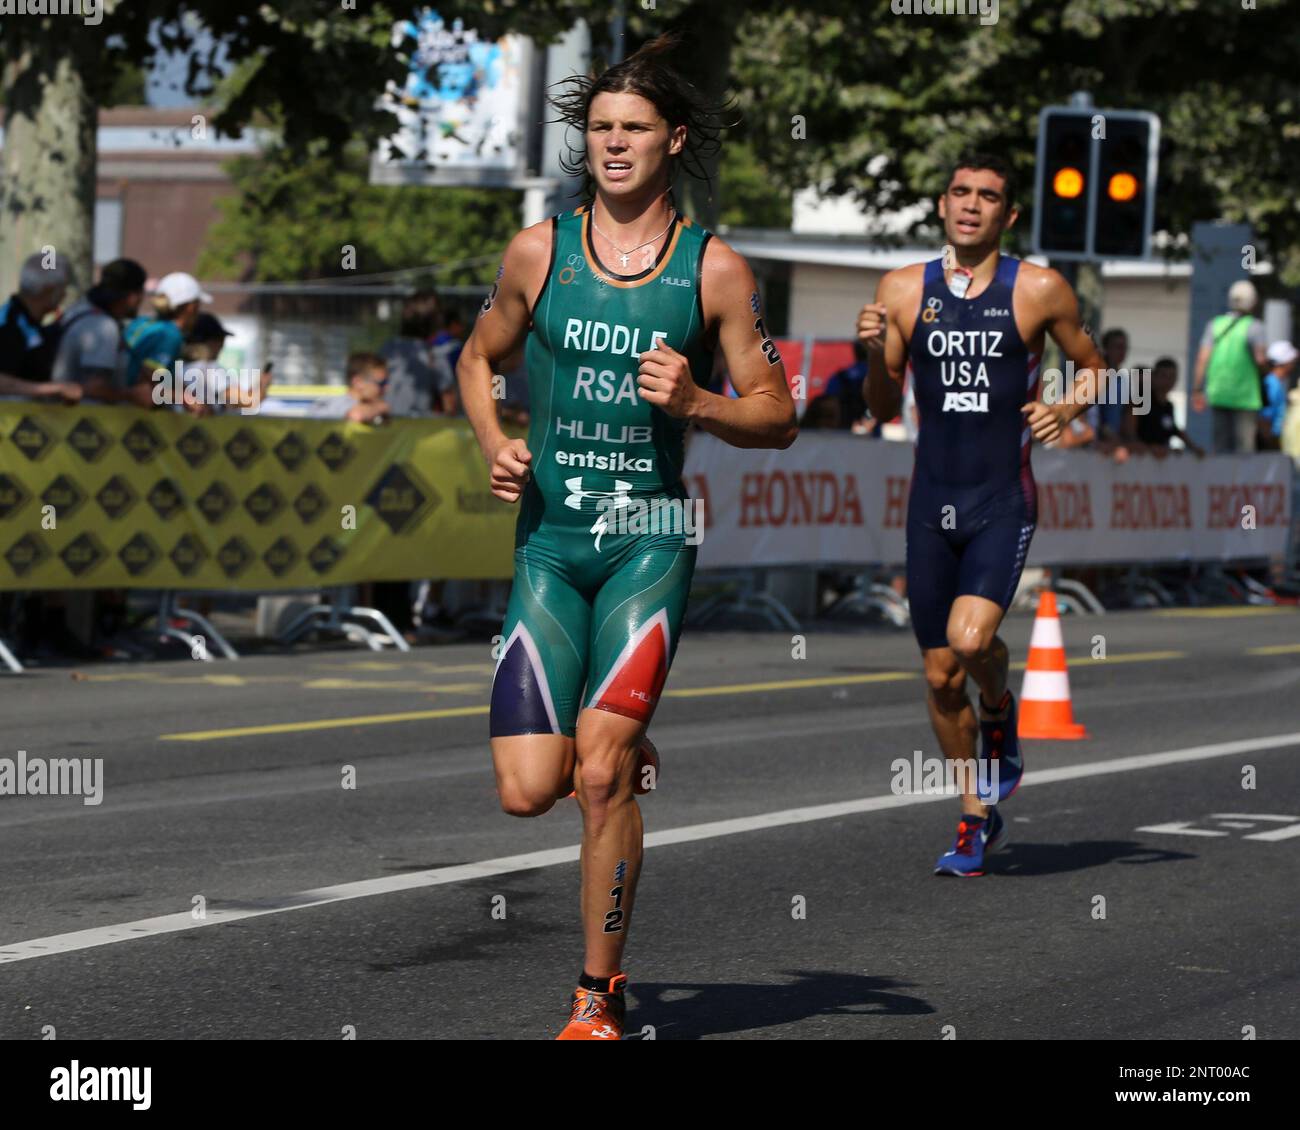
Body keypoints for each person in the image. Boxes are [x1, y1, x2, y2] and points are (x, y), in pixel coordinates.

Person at [457, 34, 796, 1040]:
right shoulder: (538, 250)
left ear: (671, 141)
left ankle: (596, 996)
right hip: (551, 541)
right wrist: (495, 441)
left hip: (648, 535)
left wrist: (697, 398)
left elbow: (777, 412)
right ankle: (621, 727)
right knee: (527, 792)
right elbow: (477, 358)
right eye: (600, 127)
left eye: (634, 129)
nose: (613, 144)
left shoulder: (714, 269)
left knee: (597, 774)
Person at [857, 152, 1113, 878]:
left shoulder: (1039, 288)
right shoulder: (903, 288)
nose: (972, 205)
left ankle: (1000, 708)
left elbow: (1096, 366)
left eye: (988, 196)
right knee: (939, 676)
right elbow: (880, 407)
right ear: (943, 205)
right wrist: (876, 354)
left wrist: (1064, 406)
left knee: (972, 643)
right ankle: (975, 816)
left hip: (1002, 497)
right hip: (929, 500)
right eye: (961, 193)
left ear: (1009, 215)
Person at [50, 258, 151, 405]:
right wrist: (131, 395)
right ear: (133, 296)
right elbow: (93, 388)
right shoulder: (103, 327)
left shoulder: (79, 309)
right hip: (83, 422)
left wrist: (174, 392)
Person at [1192, 279, 1268, 453]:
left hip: (1219, 393)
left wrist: (1197, 389)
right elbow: (1261, 360)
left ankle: (1220, 480)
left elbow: (1202, 358)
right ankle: (1243, 482)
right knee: (1245, 449)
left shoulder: (1215, 324)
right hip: (1245, 396)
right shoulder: (1254, 327)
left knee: (1220, 447)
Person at [0, 251, 82, 403]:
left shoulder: (31, 324)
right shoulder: (10, 326)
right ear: (48, 290)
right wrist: (53, 389)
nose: (64, 294)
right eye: (62, 287)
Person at [379, 292, 455, 417]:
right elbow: (449, 402)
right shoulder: (435, 354)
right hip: (419, 426)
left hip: (387, 422)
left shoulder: (388, 348)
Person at [1123, 357, 1205, 457]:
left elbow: (1175, 430)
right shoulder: (1139, 400)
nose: (1168, 381)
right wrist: (1146, 448)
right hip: (1139, 459)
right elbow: (1130, 432)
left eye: (1172, 376)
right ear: (1154, 377)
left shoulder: (1169, 406)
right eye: (1164, 376)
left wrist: (1194, 448)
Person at [308, 352, 391, 423]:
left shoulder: (367, 407)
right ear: (358, 382)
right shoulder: (339, 404)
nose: (386, 388)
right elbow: (356, 415)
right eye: (381, 383)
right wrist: (380, 407)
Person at [1258, 341, 1296, 453]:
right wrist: (1272, 444)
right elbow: (1265, 417)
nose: (1294, 364)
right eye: (1292, 361)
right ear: (1285, 362)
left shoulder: (1273, 383)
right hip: (1272, 444)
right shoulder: (1272, 384)